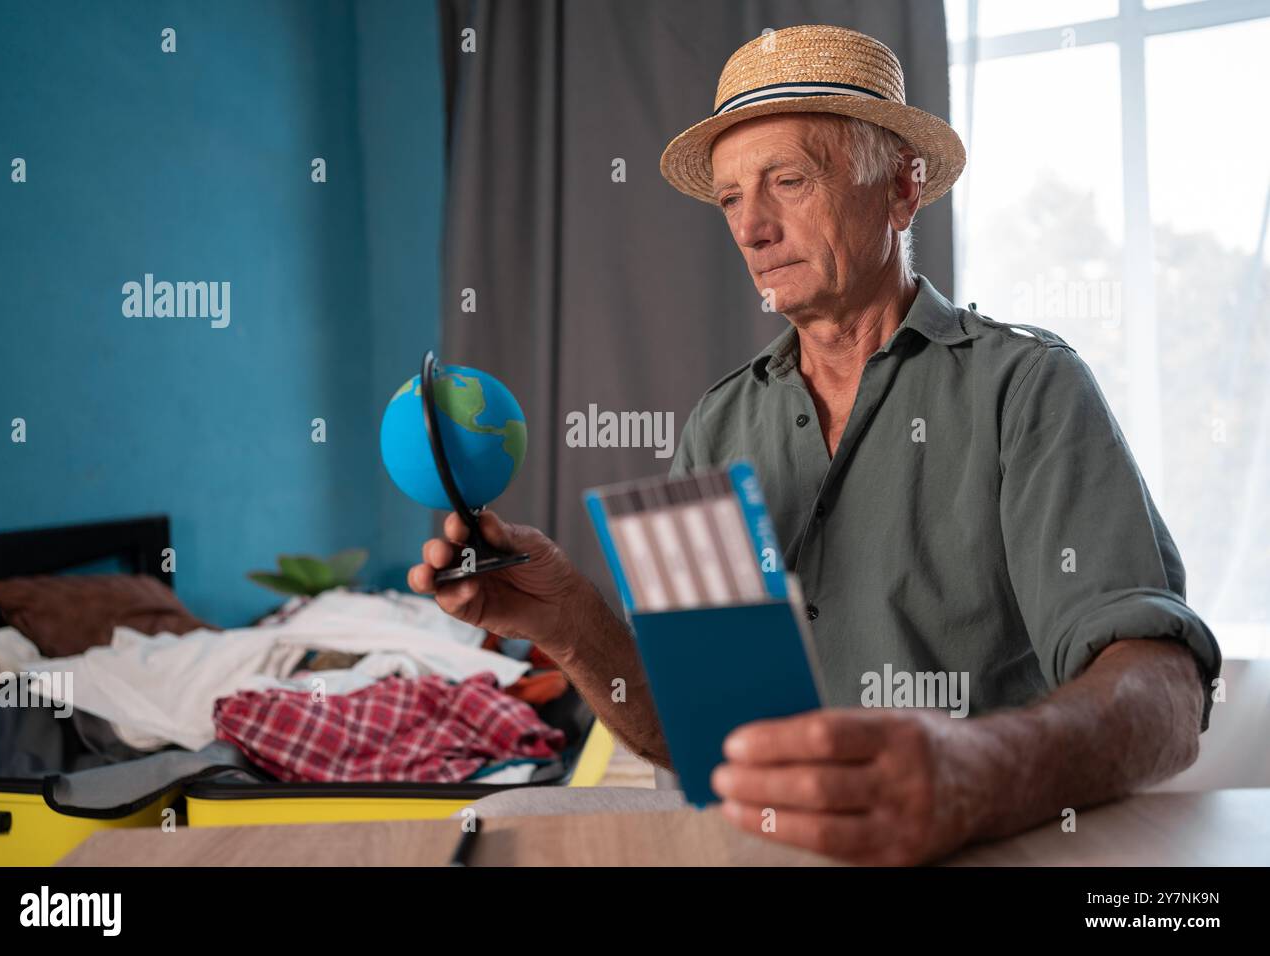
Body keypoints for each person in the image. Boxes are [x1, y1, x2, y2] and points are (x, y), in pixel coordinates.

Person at [410, 24, 1219, 865]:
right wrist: (568, 620)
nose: (752, 227)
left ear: (901, 192)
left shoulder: (1029, 388)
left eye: (788, 180)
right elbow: (706, 736)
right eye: (730, 198)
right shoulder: (718, 425)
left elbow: (1163, 687)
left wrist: (972, 773)